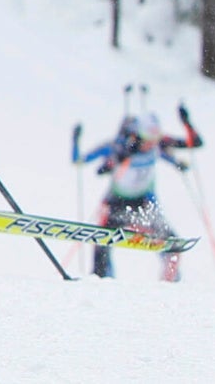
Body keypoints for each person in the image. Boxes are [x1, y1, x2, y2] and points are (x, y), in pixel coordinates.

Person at [73, 106, 204, 281]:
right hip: (115, 204)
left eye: (154, 139)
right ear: (137, 135)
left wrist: (186, 122)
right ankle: (102, 283)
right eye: (147, 139)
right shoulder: (119, 147)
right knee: (101, 247)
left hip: (144, 204)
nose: (151, 144)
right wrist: (76, 141)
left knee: (172, 246)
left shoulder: (157, 145)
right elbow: (80, 160)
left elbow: (194, 142)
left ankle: (170, 285)